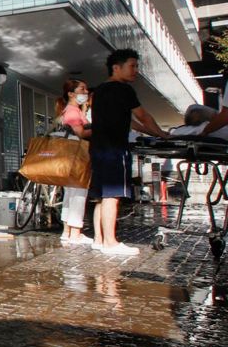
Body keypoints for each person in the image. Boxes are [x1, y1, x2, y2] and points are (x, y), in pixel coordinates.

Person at [88, 48, 167, 256]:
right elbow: (144, 116)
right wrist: (162, 135)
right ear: (116, 67)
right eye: (132, 66)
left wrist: (151, 131)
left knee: (102, 197)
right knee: (113, 195)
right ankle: (110, 243)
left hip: (97, 149)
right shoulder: (124, 90)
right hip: (115, 149)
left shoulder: (99, 91)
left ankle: (99, 239)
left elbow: (129, 120)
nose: (136, 71)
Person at [55, 79, 92, 245]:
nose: (86, 92)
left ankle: (67, 231)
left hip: (68, 157)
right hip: (77, 156)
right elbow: (81, 133)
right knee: (78, 193)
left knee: (70, 194)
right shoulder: (72, 111)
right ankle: (75, 232)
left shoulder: (69, 110)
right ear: (71, 93)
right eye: (82, 89)